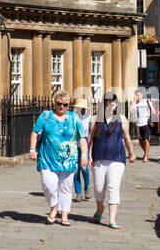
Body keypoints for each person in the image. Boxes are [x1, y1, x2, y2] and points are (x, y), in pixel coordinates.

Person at [29, 91, 88, 226]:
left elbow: (82, 138)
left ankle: (64, 215)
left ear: (69, 105)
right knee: (48, 185)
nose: (62, 107)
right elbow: (35, 132)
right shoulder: (46, 116)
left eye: (65, 105)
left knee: (66, 188)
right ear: (54, 103)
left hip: (69, 160)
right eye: (59, 104)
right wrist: (32, 150)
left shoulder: (74, 118)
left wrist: (84, 155)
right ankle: (54, 206)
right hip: (47, 158)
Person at [90, 92, 136, 227]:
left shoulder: (122, 119)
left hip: (117, 158)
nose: (111, 106)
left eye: (114, 103)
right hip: (99, 157)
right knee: (98, 188)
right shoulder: (95, 119)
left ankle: (112, 219)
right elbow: (90, 139)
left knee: (113, 187)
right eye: (108, 103)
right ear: (104, 104)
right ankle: (100, 208)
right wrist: (88, 155)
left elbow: (127, 137)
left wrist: (131, 153)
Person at [73, 99, 94, 201]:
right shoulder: (73, 118)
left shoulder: (89, 118)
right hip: (74, 145)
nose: (80, 110)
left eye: (82, 108)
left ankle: (87, 187)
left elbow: (90, 134)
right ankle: (78, 192)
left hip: (85, 145)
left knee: (84, 169)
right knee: (75, 169)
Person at [132, 90, 153, 161]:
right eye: (136, 95)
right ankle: (146, 152)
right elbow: (130, 110)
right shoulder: (135, 103)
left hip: (146, 123)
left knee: (146, 140)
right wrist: (134, 101)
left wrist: (152, 119)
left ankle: (146, 156)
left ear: (142, 95)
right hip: (138, 124)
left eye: (139, 95)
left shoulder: (147, 102)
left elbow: (154, 111)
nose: (138, 96)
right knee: (141, 141)